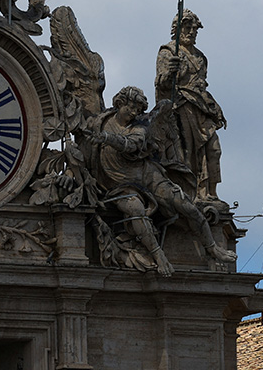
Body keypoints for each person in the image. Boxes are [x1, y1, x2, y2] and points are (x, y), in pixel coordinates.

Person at [94, 86, 235, 276]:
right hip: (118, 183)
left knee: (183, 203)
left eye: (138, 110)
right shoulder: (100, 121)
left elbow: (131, 145)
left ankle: (212, 247)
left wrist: (107, 138)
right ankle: (159, 256)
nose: (134, 113)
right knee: (135, 210)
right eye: (132, 107)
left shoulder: (140, 127)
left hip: (146, 174)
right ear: (120, 103)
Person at [154, 9, 225, 204]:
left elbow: (202, 86)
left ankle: (211, 192)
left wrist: (214, 106)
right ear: (177, 29)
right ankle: (193, 193)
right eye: (187, 27)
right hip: (182, 105)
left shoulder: (200, 57)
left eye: (195, 29)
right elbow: (161, 84)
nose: (192, 32)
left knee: (214, 149)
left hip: (201, 108)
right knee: (188, 152)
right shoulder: (168, 52)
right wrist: (170, 72)